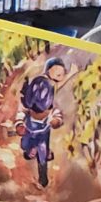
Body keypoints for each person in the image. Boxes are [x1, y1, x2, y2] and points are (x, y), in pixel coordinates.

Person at [17, 56, 69, 188]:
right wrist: (19, 124)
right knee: (25, 145)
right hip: (30, 126)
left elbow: (55, 109)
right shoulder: (39, 84)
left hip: (44, 129)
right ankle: (30, 151)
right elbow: (22, 109)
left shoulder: (53, 92)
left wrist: (57, 120)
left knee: (43, 151)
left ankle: (43, 178)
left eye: (61, 72)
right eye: (56, 70)